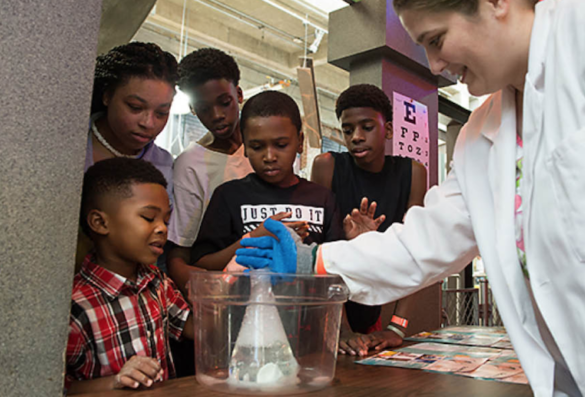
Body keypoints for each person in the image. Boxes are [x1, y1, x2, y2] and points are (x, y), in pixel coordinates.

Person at [235, 0, 585, 396]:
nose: (434, 64)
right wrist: (315, 261)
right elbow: (424, 243)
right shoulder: (483, 132)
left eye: (437, 39)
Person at [311, 84, 427, 356]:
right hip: (327, 310)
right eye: (348, 130)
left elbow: (416, 251)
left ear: (387, 130)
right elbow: (318, 250)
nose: (356, 137)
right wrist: (340, 328)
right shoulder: (327, 165)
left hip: (373, 307)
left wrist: (397, 327)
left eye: (366, 127)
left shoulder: (412, 173)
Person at [66, 158, 193, 394]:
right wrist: (115, 382)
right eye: (148, 217)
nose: (162, 228)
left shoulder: (157, 282)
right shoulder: (76, 305)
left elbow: (193, 328)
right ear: (100, 222)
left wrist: (225, 284)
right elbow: (59, 388)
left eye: (166, 220)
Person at [190, 90, 342, 271]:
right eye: (257, 147)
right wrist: (254, 238)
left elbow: (338, 263)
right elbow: (203, 263)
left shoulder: (322, 198)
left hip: (307, 298)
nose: (269, 157)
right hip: (249, 297)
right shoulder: (229, 196)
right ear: (245, 147)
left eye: (281, 145)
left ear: (300, 142)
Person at [77, 42, 178, 271]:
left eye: (161, 113)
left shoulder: (163, 164)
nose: (148, 123)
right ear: (107, 96)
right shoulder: (70, 148)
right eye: (135, 107)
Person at [167, 48, 253, 296]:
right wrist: (208, 295)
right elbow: (179, 255)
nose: (217, 115)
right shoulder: (190, 165)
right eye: (204, 108)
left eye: (224, 103)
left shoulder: (268, 148)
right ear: (193, 110)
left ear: (238, 94)